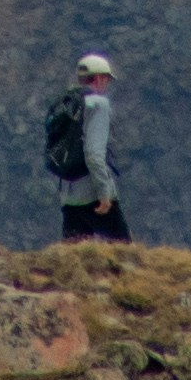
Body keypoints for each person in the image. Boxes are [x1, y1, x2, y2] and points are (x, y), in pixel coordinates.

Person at [48, 49, 128, 242]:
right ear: (99, 78)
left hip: (68, 194)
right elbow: (93, 153)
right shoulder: (98, 105)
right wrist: (104, 193)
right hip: (93, 193)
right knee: (124, 254)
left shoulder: (68, 103)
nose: (106, 84)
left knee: (75, 257)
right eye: (107, 79)